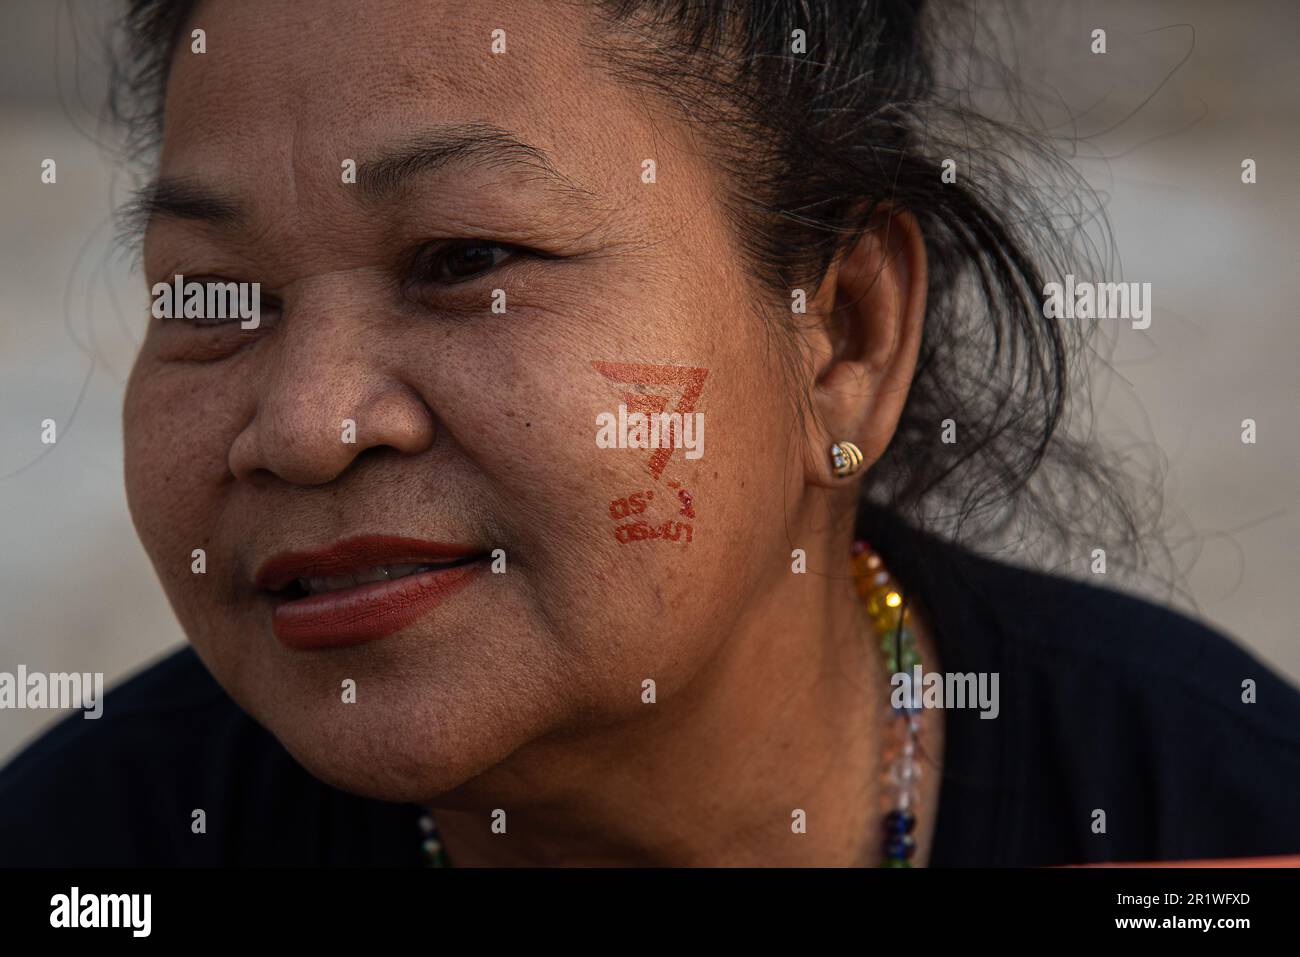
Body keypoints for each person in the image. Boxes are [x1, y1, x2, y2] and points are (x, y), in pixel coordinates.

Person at [1, 0, 1297, 867]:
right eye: (217, 298)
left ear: (840, 337)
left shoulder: (1217, 827)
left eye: (465, 258)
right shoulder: (84, 850)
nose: (306, 424)